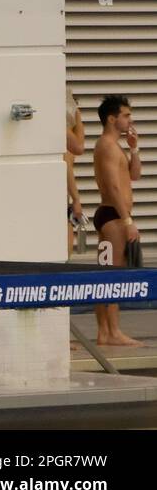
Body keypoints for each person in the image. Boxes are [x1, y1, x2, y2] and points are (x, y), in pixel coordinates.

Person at [91, 94, 143, 348]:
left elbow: (134, 176)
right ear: (112, 119)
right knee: (112, 277)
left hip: (113, 216)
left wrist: (134, 148)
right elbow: (112, 186)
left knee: (107, 275)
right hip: (113, 216)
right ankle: (111, 332)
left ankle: (106, 332)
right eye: (125, 115)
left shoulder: (117, 146)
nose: (129, 119)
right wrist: (127, 220)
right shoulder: (106, 146)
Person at [67, 86, 86, 255]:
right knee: (65, 252)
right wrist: (76, 200)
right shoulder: (63, 130)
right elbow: (79, 147)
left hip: (62, 198)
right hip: (60, 200)